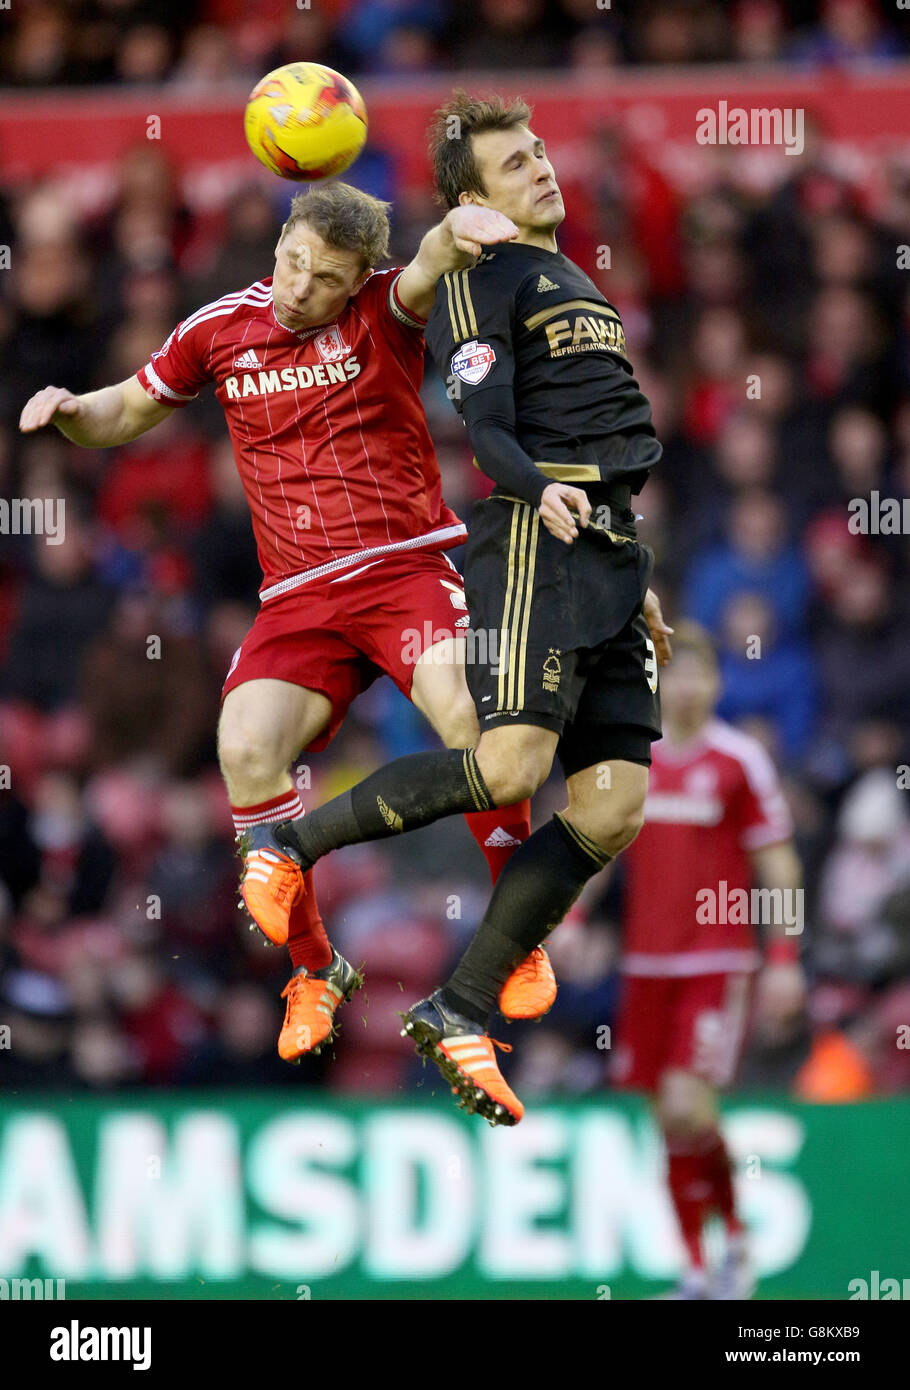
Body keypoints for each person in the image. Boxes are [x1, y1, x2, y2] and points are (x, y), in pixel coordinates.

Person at [18, 180, 548, 1065]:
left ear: (356, 280)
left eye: (324, 275)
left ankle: (518, 941)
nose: (300, 286)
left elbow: (431, 260)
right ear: (280, 247)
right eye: (292, 262)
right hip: (299, 597)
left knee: (475, 731)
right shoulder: (220, 328)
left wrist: (465, 228)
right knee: (245, 750)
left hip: (403, 569)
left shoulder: (386, 310)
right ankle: (315, 970)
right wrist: (73, 414)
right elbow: (127, 408)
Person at [272, 93, 672, 1126]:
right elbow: (483, 430)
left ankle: (458, 1005)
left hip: (608, 542)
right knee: (511, 767)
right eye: (514, 163)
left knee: (613, 806)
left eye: (540, 150)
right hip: (540, 533)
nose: (541, 167)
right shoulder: (479, 279)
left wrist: (639, 574)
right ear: (471, 198)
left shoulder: (574, 275)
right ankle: (291, 847)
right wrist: (547, 492)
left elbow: (606, 437)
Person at [612, 621, 807, 1298]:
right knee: (669, 1118)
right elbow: (594, 848)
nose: (688, 684)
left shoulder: (738, 761)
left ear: (718, 683)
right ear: (658, 679)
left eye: (701, 672)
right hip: (645, 965)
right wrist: (571, 920)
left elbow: (779, 863)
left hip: (716, 960)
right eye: (676, 671)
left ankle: (739, 1249)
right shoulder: (630, 755)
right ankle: (698, 1269)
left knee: (687, 1102)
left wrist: (784, 955)